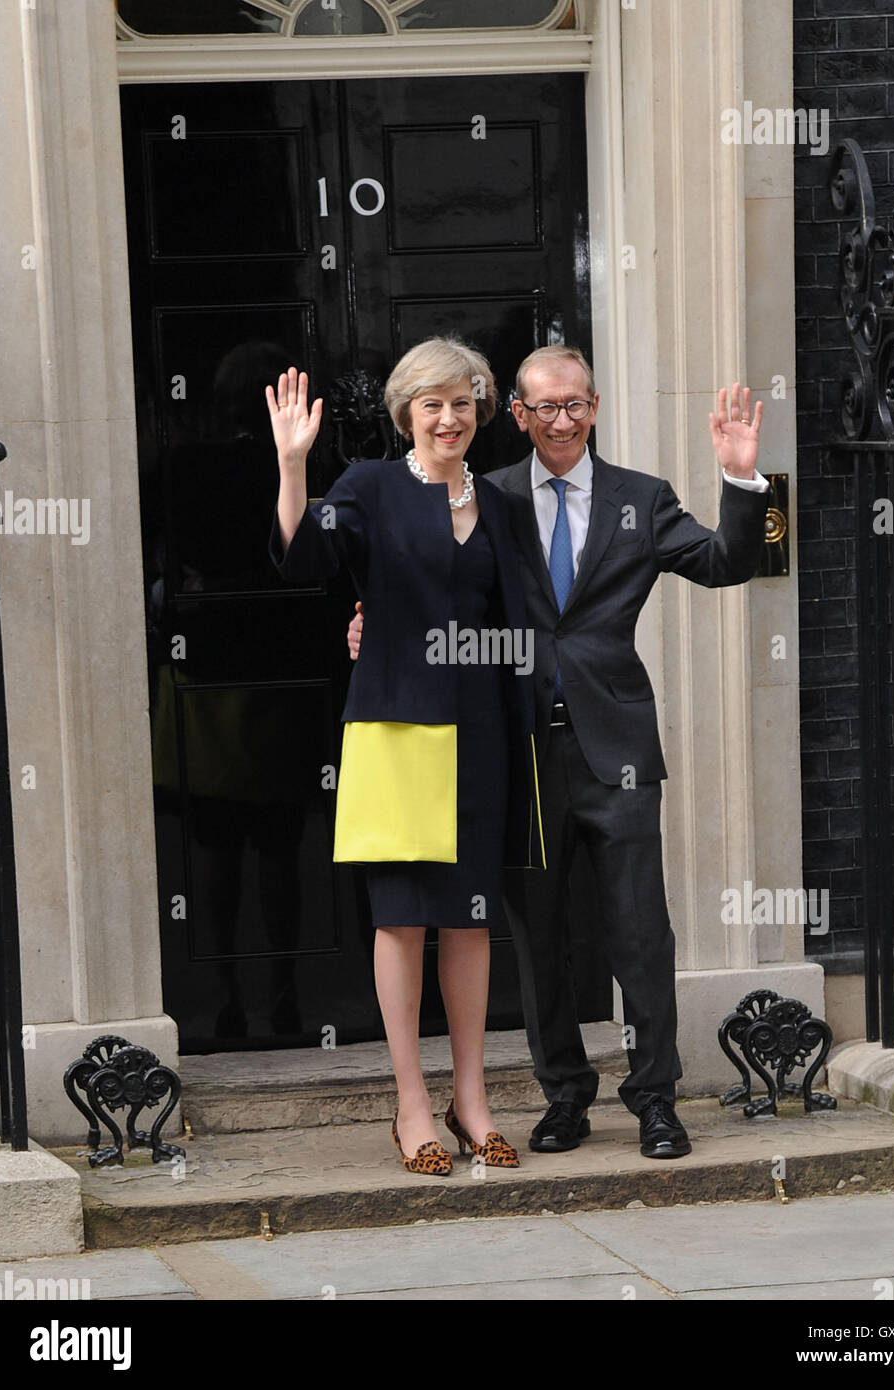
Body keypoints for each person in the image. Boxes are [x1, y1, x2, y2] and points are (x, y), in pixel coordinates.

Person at [349, 343, 768, 1161]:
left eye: (575, 403)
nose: (561, 419)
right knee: (539, 935)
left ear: (595, 406)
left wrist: (742, 482)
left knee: (638, 930)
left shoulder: (640, 500)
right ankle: (564, 1097)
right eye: (543, 406)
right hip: (518, 749)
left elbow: (725, 563)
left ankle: (654, 1098)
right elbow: (432, 586)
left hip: (616, 747)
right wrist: (374, 625)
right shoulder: (488, 495)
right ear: (518, 415)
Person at [266, 338, 544, 1177]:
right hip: (392, 728)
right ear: (405, 413)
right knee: (400, 916)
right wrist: (291, 467)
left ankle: (472, 1102)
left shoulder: (499, 504)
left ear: (481, 411)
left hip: (479, 732)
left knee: (468, 918)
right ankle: (410, 1107)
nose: (449, 417)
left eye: (462, 402)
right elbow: (302, 561)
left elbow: (518, 620)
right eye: (432, 403)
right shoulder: (370, 487)